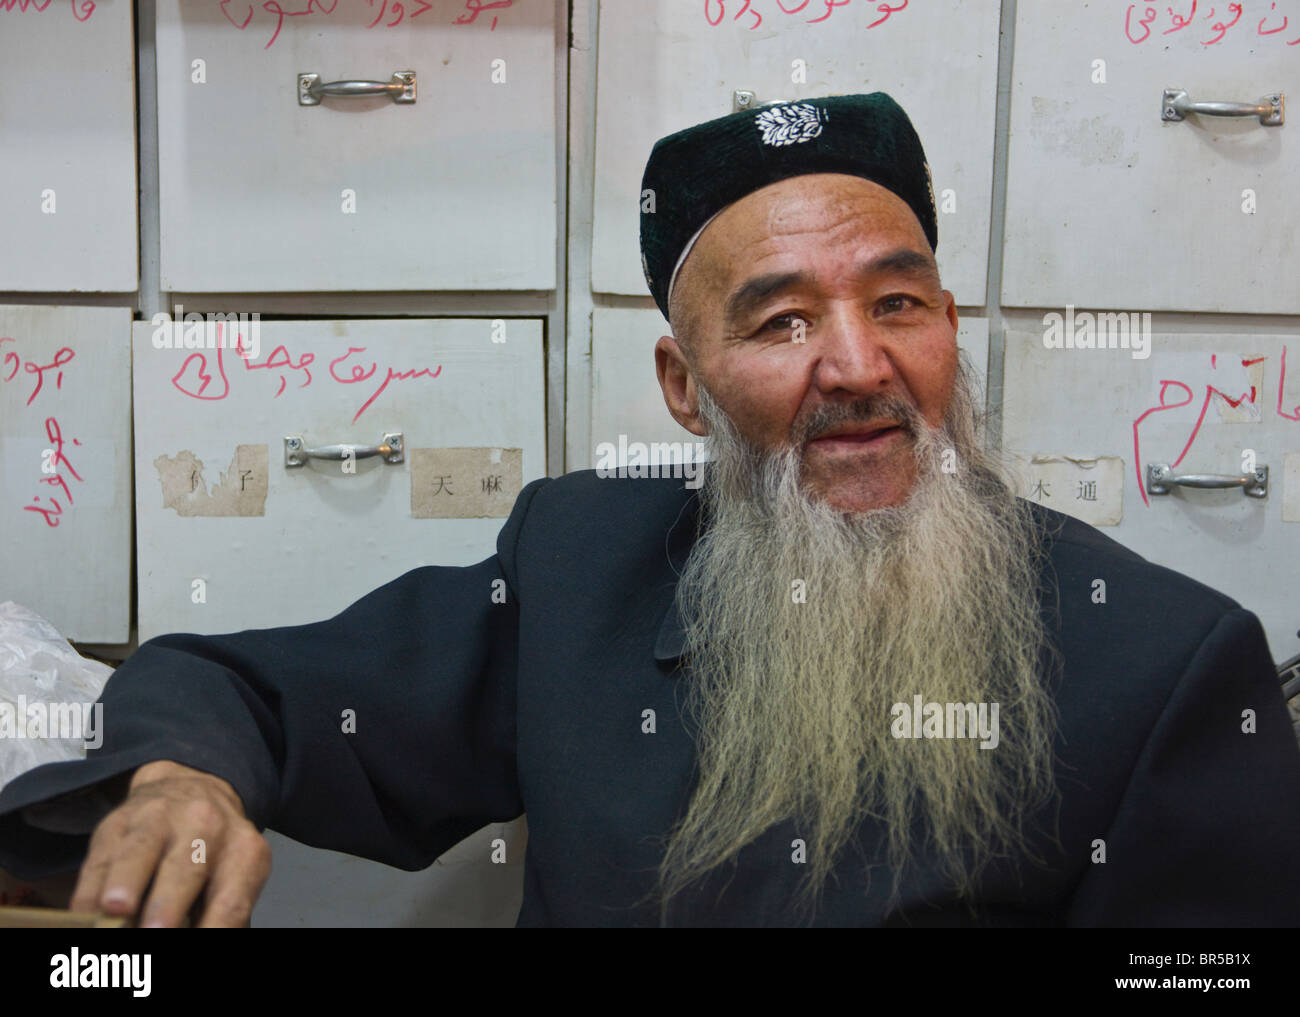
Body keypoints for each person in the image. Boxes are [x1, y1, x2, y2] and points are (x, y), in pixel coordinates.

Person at [2, 93, 1298, 927]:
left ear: (951, 333)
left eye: (897, 303)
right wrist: (182, 779)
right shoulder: (578, 568)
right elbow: (250, 686)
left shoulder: (1169, 664)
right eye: (781, 320)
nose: (857, 365)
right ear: (684, 387)